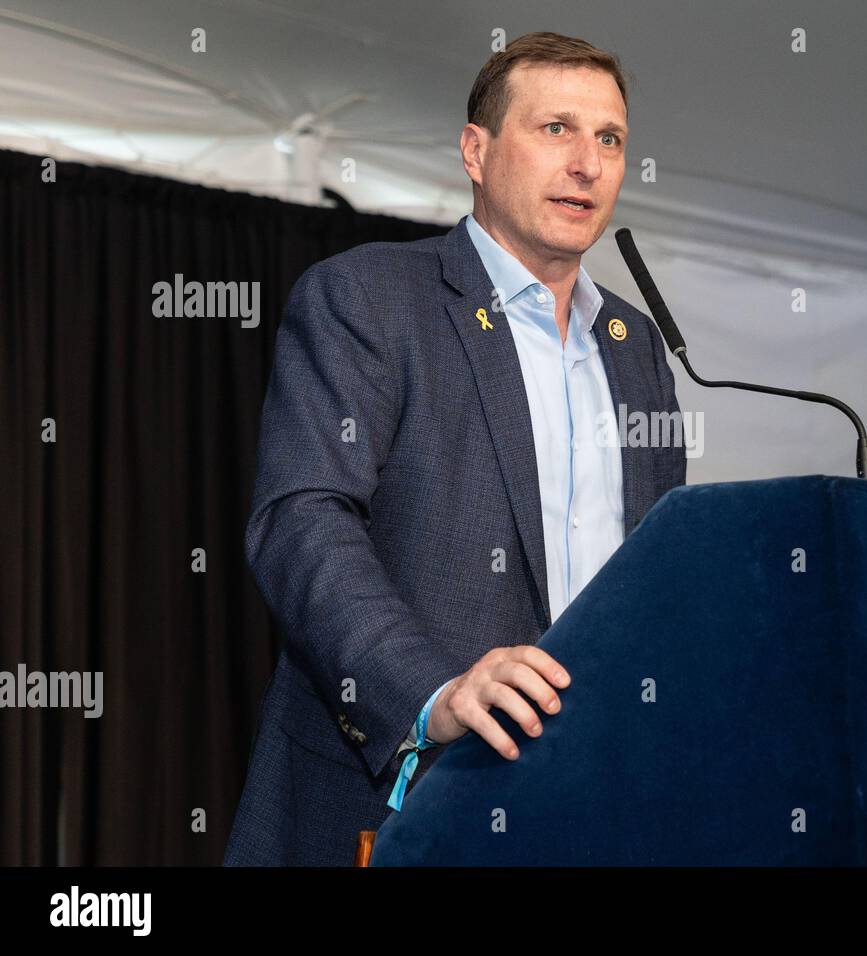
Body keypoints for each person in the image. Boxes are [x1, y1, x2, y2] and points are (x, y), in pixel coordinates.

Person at [224, 32, 686, 865]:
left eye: (610, 139)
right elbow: (302, 517)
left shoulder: (637, 345)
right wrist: (431, 690)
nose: (588, 163)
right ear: (476, 151)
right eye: (556, 129)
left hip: (593, 810)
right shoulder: (369, 298)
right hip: (398, 809)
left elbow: (655, 578)